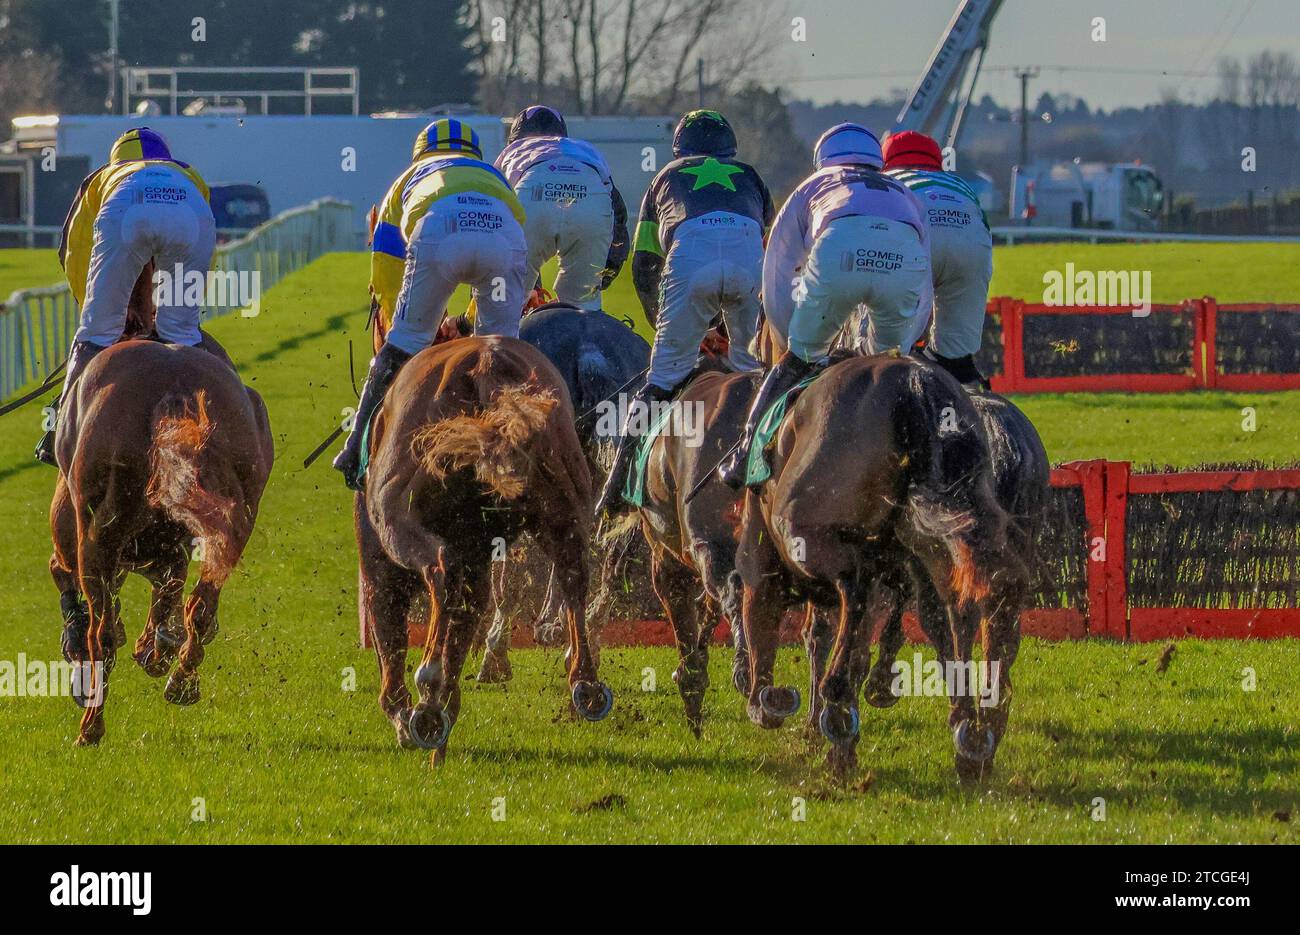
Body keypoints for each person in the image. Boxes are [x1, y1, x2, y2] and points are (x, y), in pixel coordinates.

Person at [719, 122, 931, 490]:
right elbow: (924, 275)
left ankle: (745, 453)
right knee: (886, 371)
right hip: (903, 259)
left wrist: (795, 344)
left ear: (823, 159)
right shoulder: (902, 190)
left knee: (797, 360)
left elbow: (778, 267)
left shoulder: (814, 185)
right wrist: (907, 343)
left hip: (839, 253)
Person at [593, 109, 774, 517]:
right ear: (730, 148)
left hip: (690, 262)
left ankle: (617, 490)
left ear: (679, 147)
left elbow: (643, 264)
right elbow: (770, 249)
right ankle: (762, 464)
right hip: (750, 267)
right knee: (754, 375)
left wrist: (668, 326)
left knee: (660, 382)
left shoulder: (664, 177)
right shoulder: (750, 175)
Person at [332, 118, 528, 490]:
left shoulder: (410, 177)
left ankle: (355, 447)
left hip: (441, 230)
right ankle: (522, 448)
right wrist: (468, 325)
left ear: (420, 153)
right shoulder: (493, 176)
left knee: (403, 342)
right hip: (505, 233)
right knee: (502, 351)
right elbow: (520, 247)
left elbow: (388, 273)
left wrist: (414, 327)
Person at [35, 127, 214, 466]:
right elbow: (205, 257)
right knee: (183, 337)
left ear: (116, 160)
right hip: (190, 213)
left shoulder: (102, 178)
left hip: (127, 209)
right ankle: (210, 424)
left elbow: (75, 255)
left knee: (95, 333)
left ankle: (61, 430)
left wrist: (100, 316)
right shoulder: (187, 173)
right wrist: (173, 316)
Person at [883, 130, 993, 389]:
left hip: (911, 245)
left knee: (886, 355)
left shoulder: (884, 179)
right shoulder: (959, 184)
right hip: (969, 248)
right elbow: (985, 234)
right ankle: (969, 392)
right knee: (957, 355)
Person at [495, 105, 629, 311]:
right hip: (591, 203)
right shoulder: (586, 150)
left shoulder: (512, 152)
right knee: (583, 309)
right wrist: (603, 274)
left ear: (516, 137)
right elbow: (618, 215)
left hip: (532, 194)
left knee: (503, 306)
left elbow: (494, 227)